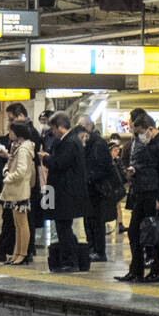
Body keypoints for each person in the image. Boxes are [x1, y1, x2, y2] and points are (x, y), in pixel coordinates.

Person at [117, 114, 159, 284]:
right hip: (142, 193)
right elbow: (150, 166)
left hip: (153, 195)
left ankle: (157, 272)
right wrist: (136, 170)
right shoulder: (150, 144)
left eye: (141, 133)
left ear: (150, 129)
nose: (139, 137)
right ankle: (136, 270)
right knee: (135, 232)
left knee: (156, 235)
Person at [42, 112, 87, 273]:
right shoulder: (69, 141)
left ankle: (70, 261)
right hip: (65, 192)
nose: (52, 132)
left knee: (64, 227)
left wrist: (46, 158)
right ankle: (69, 259)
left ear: (61, 127)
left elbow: (60, 163)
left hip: (67, 193)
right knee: (64, 227)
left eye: (53, 128)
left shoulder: (69, 142)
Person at [78, 115, 114, 263]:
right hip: (90, 189)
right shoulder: (87, 143)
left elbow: (104, 167)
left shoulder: (97, 144)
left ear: (89, 126)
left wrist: (90, 178)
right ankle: (92, 248)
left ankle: (99, 251)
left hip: (97, 190)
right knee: (89, 221)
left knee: (96, 221)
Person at [0, 122, 35, 265]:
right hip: (16, 189)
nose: (9, 133)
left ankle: (23, 253)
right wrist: (6, 171)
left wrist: (8, 177)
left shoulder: (23, 149)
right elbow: (10, 165)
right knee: (17, 224)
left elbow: (21, 171)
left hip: (20, 189)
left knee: (22, 223)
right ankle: (16, 253)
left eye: (11, 130)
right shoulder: (17, 147)